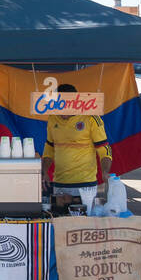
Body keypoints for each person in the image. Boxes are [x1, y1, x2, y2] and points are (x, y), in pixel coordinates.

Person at [41, 82, 113, 210]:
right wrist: (44, 171)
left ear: (75, 101)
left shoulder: (91, 118)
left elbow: (104, 149)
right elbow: (49, 148)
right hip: (60, 182)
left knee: (84, 223)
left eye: (67, 105)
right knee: (61, 222)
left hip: (85, 184)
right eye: (60, 105)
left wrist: (105, 171)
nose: (63, 110)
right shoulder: (52, 118)